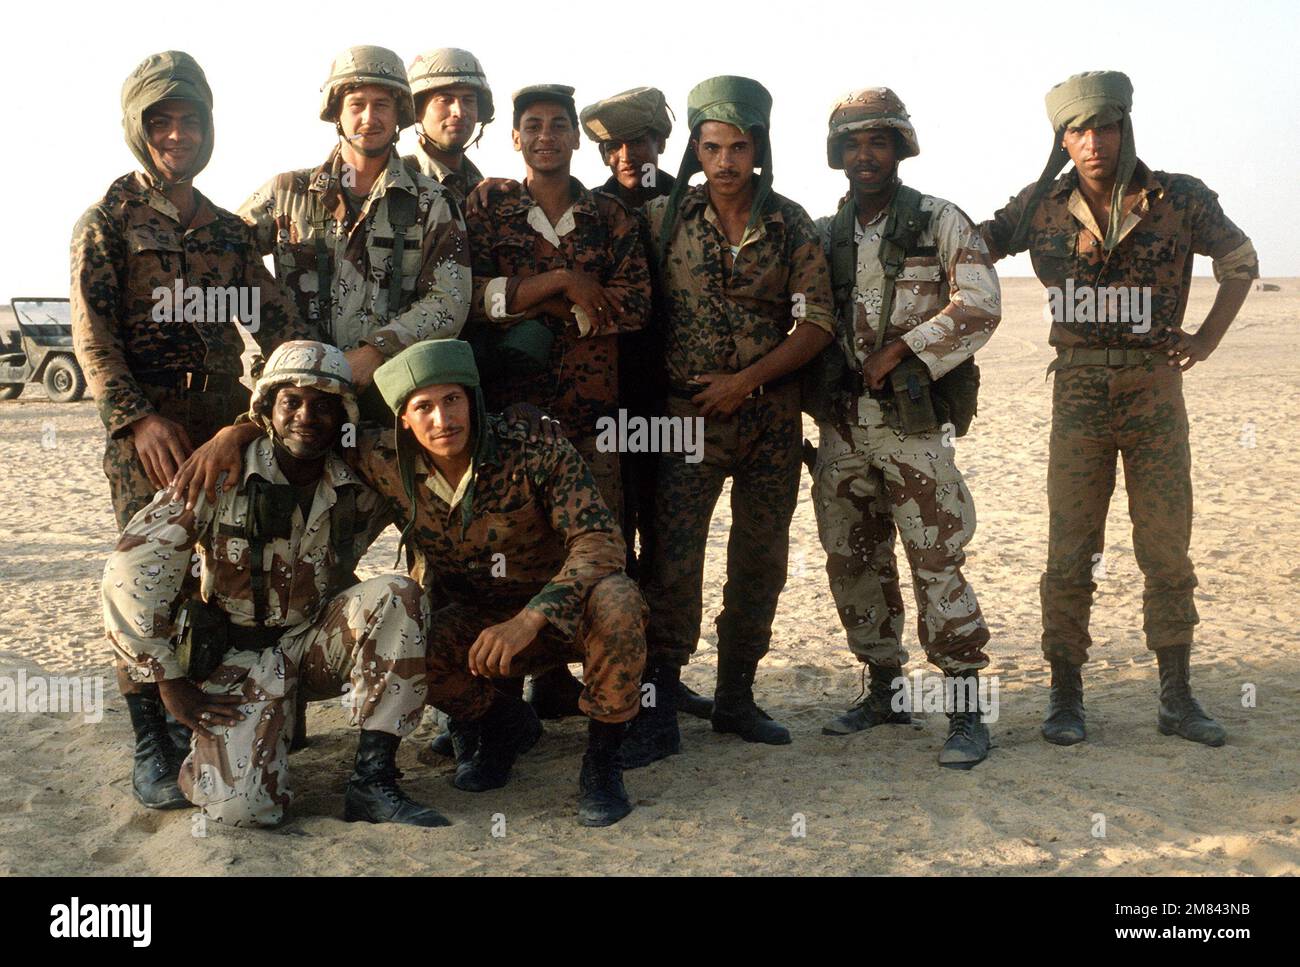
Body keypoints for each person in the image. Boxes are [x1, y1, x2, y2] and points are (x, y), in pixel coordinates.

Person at [980, 71, 1257, 747]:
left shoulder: (1178, 198)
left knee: (1166, 548)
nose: (1094, 142)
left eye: (1105, 127)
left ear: (1125, 127)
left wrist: (1206, 339)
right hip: (1076, 394)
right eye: (1078, 131)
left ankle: (1177, 696)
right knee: (1070, 551)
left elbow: (1240, 260)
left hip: (1155, 390)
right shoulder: (1040, 208)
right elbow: (972, 246)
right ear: (1063, 139)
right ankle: (1065, 696)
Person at [72, 51, 317, 808]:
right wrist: (136, 419)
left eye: (190, 120)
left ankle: (222, 706)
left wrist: (259, 417)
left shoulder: (230, 233)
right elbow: (93, 336)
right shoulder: (107, 222)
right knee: (147, 577)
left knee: (229, 569)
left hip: (219, 424)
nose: (177, 135)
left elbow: (277, 327)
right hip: (145, 430)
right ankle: (152, 734)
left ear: (208, 129)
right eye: (161, 122)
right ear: (137, 130)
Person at [102, 341, 446, 827]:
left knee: (396, 595)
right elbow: (130, 574)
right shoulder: (219, 472)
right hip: (238, 657)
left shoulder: (360, 476)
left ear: (342, 414)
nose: (307, 416)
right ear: (268, 408)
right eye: (292, 402)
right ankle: (222, 748)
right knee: (244, 811)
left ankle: (373, 780)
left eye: (324, 405)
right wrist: (170, 682)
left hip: (315, 641)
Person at [624, 76, 835, 767]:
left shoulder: (792, 223)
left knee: (760, 561)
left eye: (739, 146)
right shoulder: (663, 218)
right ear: (695, 148)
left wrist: (746, 381)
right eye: (711, 146)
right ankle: (659, 703)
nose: (725, 161)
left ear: (759, 149)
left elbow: (817, 323)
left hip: (769, 420)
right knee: (673, 563)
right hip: (686, 422)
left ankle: (737, 696)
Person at [809, 88, 1002, 768]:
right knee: (851, 561)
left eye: (879, 142)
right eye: (855, 144)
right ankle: (884, 689)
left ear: (899, 148)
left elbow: (980, 303)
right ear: (839, 154)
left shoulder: (940, 220)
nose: (867, 155)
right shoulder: (822, 232)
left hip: (914, 427)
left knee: (936, 560)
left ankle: (965, 710)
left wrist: (906, 348)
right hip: (841, 429)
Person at [238, 45, 470, 422]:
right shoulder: (286, 193)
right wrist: (280, 334)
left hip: (389, 394)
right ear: (337, 113)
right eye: (357, 104)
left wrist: (374, 351)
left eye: (382, 105)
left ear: (399, 115)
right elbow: (222, 258)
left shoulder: (431, 202)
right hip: (298, 401)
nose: (369, 117)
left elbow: (449, 301)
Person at [403, 47, 493, 204]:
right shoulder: (394, 182)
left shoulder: (484, 190)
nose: (459, 112)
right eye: (445, 100)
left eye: (468, 100)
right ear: (417, 110)